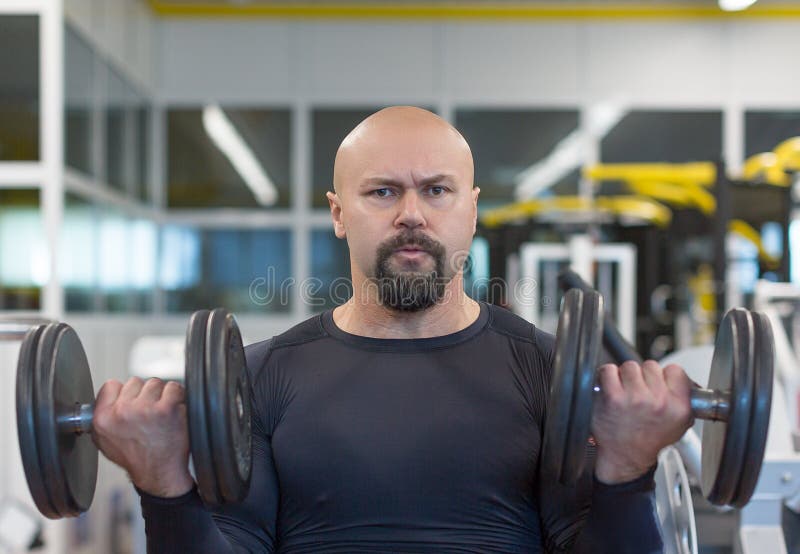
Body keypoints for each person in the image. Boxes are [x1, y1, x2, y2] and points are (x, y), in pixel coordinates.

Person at [91, 106, 693, 553]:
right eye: (382, 191)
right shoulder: (261, 375)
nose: (412, 213)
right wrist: (163, 481)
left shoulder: (551, 374)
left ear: (473, 209)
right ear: (337, 212)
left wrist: (627, 471)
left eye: (437, 190)